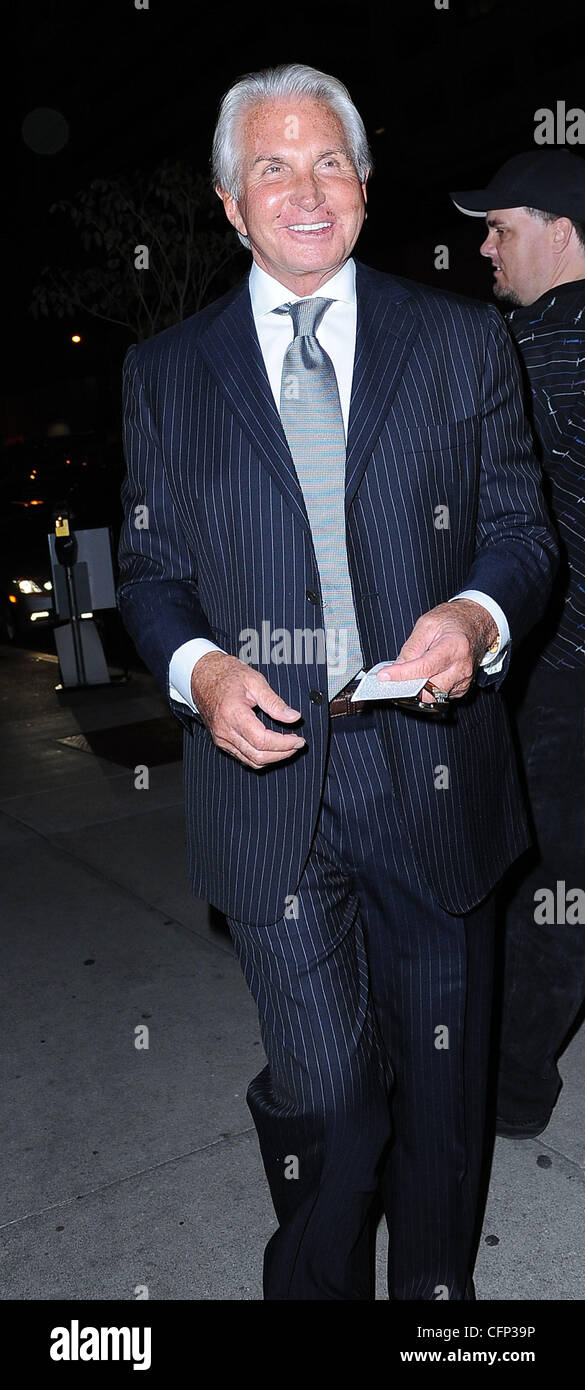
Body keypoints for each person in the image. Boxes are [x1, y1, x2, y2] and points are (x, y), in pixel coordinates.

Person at [118, 65, 557, 1301]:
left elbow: (524, 532)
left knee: (443, 1094)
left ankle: (434, 1301)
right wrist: (199, 674)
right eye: (274, 167)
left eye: (330, 164)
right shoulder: (166, 372)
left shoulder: (463, 339)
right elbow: (149, 569)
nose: (305, 192)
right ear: (229, 201)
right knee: (331, 1102)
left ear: (362, 186)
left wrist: (474, 615)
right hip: (268, 782)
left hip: (434, 769)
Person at [452, 150, 585, 1140]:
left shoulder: (534, 349)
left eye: (501, 228)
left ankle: (511, 1089)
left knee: (541, 881)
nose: (483, 244)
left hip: (559, 674)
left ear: (563, 232)